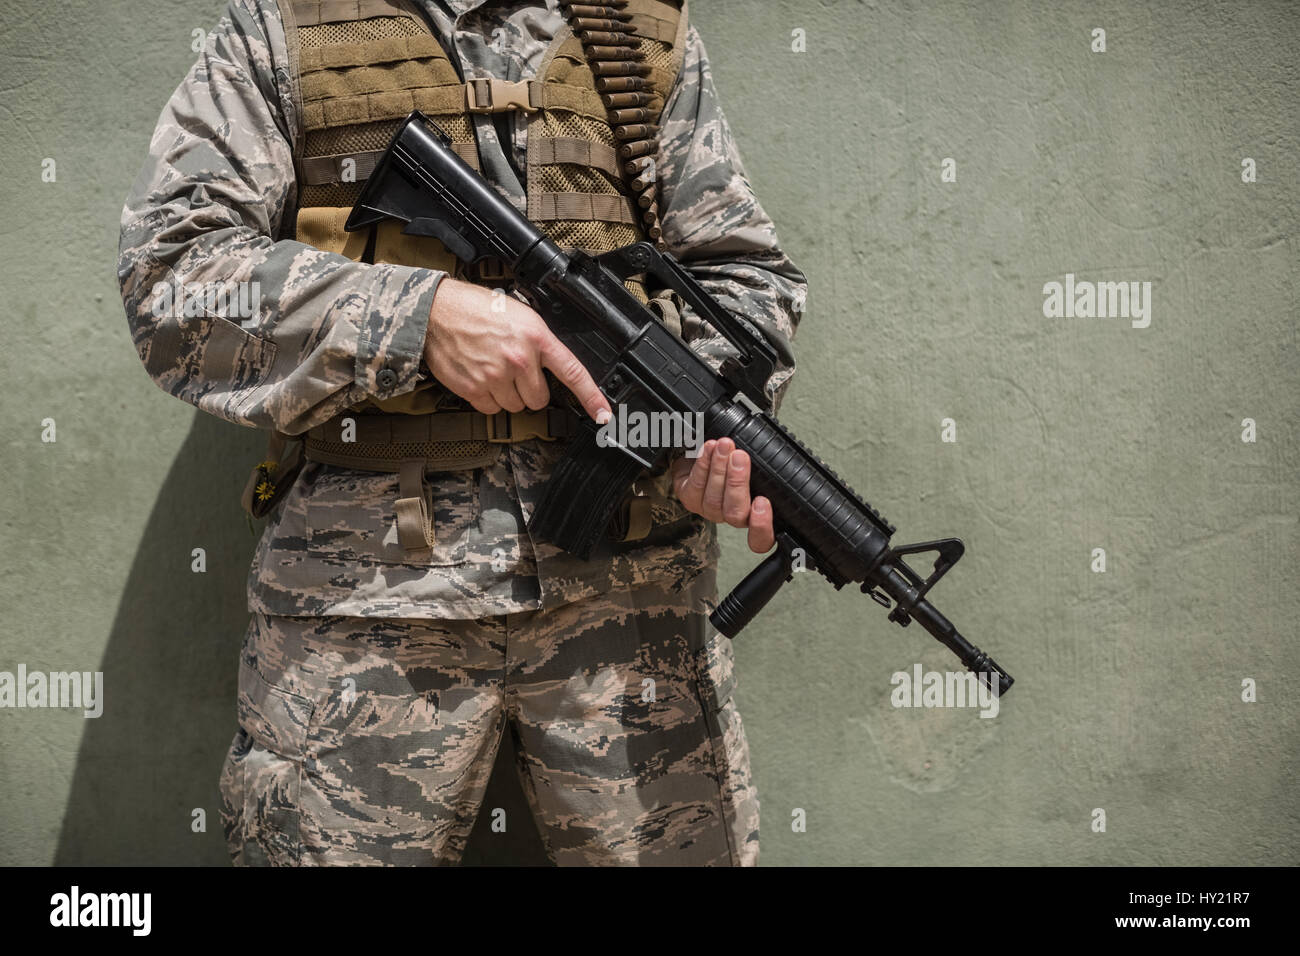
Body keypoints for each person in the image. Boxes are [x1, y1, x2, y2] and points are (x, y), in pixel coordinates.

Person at [118, 0, 805, 866]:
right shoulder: (286, 24)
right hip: (363, 613)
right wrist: (417, 317)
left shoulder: (639, 33)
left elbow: (745, 283)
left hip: (633, 620)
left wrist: (690, 428)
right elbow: (171, 280)